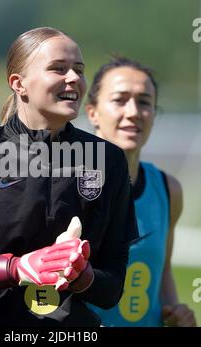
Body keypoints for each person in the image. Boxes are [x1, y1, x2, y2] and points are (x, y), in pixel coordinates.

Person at [0, 28, 138, 327]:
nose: (73, 78)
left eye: (79, 70)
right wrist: (15, 269)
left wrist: (80, 276)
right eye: (58, 68)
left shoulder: (109, 161)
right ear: (19, 84)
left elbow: (112, 288)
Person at [85, 56, 197, 327]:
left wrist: (176, 311)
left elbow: (163, 271)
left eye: (144, 102)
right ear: (92, 112)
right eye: (120, 99)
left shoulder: (168, 190)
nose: (134, 111)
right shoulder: (62, 186)